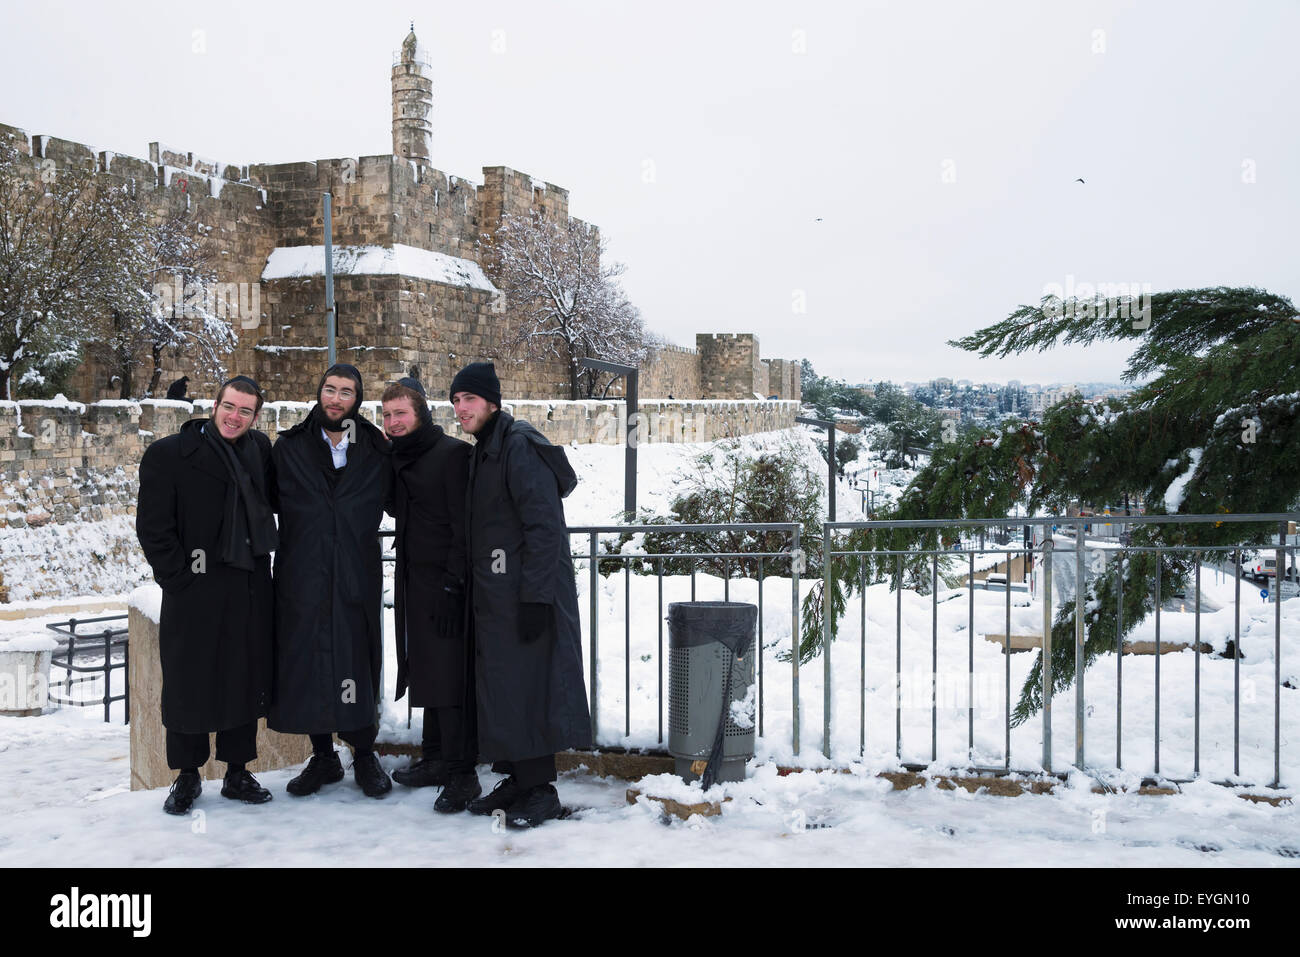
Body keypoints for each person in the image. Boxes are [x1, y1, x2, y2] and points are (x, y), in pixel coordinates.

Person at [450, 361, 592, 828]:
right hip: (498, 597)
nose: (459, 409)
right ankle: (516, 778)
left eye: (468, 399)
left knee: (529, 690)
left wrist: (535, 598)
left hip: (526, 597)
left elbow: (544, 529)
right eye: (455, 401)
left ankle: (541, 790)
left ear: (492, 402)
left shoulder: (518, 448)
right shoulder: (488, 448)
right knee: (506, 690)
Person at [135, 375, 277, 814]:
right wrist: (178, 578)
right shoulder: (169, 455)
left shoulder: (259, 451)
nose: (235, 417)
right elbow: (154, 527)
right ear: (214, 405)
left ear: (256, 417)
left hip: (248, 586)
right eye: (229, 407)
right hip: (194, 590)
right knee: (188, 683)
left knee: (243, 677)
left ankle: (237, 771)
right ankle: (188, 775)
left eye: (245, 411)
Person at [269, 363, 394, 798]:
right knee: (308, 661)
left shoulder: (377, 447)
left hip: (355, 572)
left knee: (356, 659)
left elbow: (406, 498)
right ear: (318, 393)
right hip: (301, 572)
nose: (335, 398)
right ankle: (322, 756)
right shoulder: (288, 447)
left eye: (345, 392)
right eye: (329, 389)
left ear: (357, 400)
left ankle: (363, 754)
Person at [380, 377, 480, 812]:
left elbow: (465, 526)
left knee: (450, 678)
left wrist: (452, 583)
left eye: (400, 413)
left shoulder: (452, 455)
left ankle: (463, 774)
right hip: (414, 582)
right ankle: (435, 757)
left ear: (420, 414)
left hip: (446, 582)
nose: (393, 422)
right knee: (427, 672)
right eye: (386, 416)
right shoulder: (400, 457)